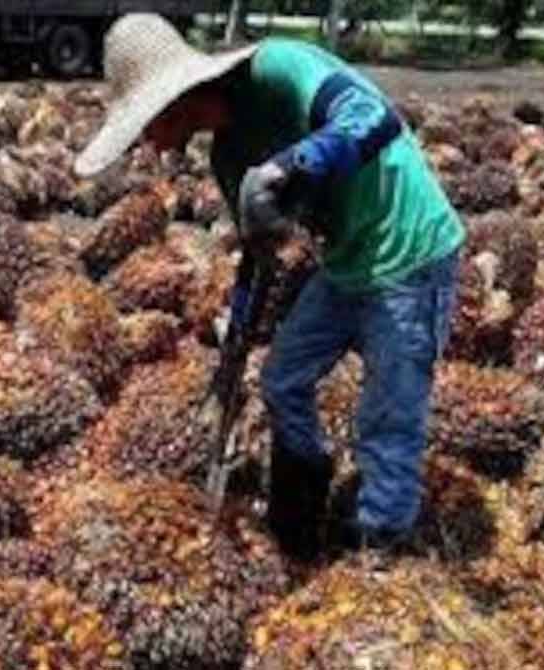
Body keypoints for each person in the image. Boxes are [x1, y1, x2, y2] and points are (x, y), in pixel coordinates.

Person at [74, 14, 464, 559]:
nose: (145, 141)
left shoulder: (281, 69)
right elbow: (260, 258)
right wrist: (235, 342)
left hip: (409, 252)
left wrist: (292, 166)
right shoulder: (228, 156)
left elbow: (375, 118)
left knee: (388, 413)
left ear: (171, 100)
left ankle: (380, 543)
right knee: (281, 379)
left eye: (143, 125)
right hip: (346, 262)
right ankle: (302, 506)